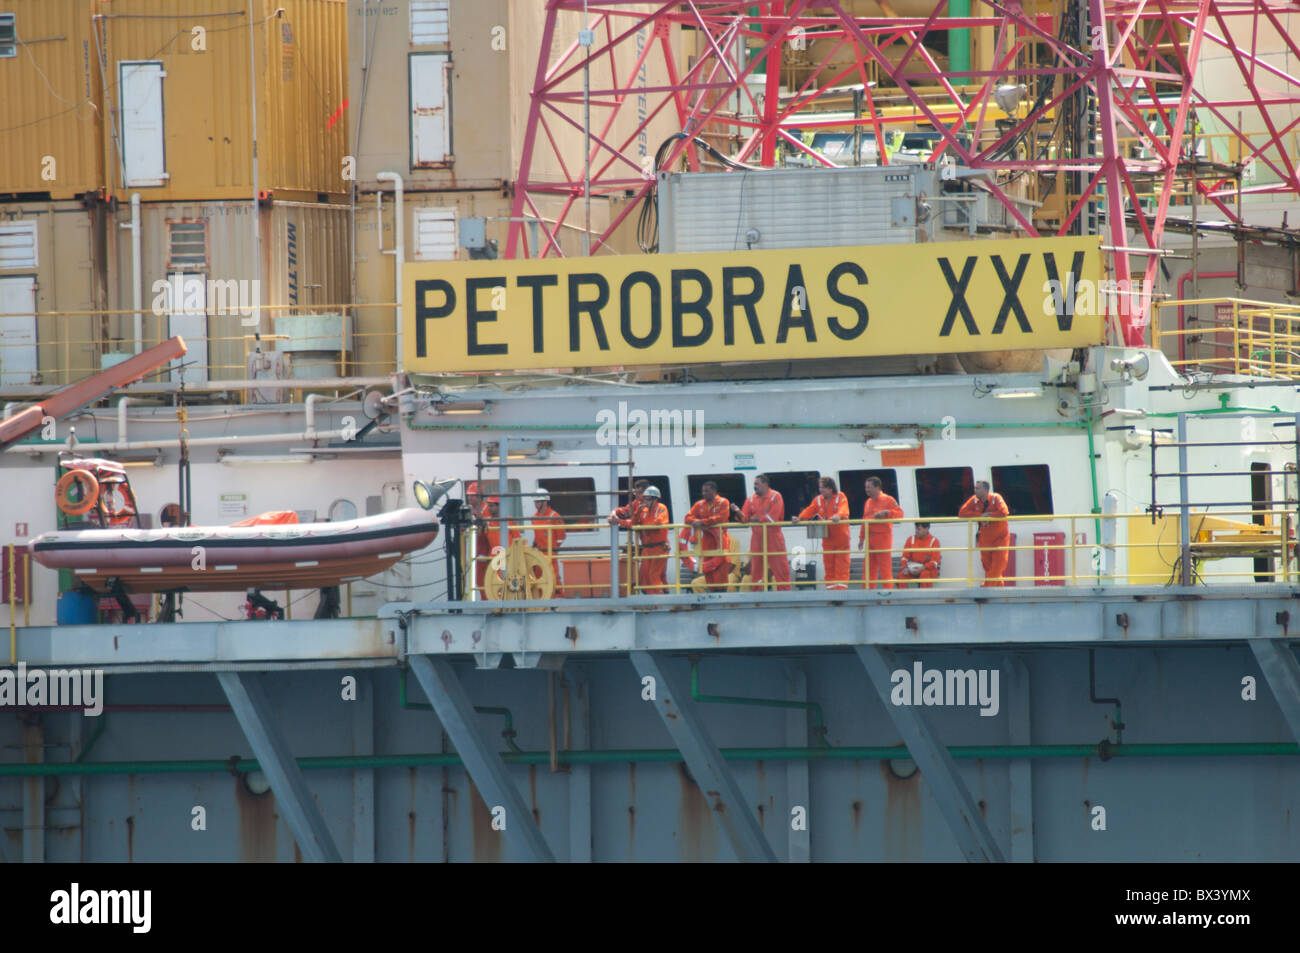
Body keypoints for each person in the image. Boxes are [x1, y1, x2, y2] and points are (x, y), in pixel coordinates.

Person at [792, 476, 851, 590]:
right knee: (829, 565)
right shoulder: (818, 500)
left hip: (841, 538)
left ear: (830, 488)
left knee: (841, 565)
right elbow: (810, 510)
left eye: (823, 488)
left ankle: (840, 591)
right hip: (827, 538)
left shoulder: (840, 497)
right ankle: (830, 590)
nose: (821, 490)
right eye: (820, 487)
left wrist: (838, 516)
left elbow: (843, 509)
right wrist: (799, 518)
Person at [738, 474, 791, 591]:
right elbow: (744, 518)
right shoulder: (751, 499)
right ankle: (757, 595)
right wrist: (737, 512)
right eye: (754, 484)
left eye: (757, 484)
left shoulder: (776, 496)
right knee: (756, 569)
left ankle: (785, 594)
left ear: (765, 484)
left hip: (773, 538)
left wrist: (755, 518)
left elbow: (772, 517)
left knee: (780, 568)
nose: (754, 486)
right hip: (757, 538)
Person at [958, 480, 1011, 587]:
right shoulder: (974, 500)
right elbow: (962, 513)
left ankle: (986, 588)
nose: (975, 490)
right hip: (985, 539)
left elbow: (1004, 512)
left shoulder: (996, 498)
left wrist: (989, 516)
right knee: (988, 567)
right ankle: (999, 588)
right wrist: (980, 515)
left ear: (985, 490)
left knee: (998, 565)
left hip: (1000, 539)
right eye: (975, 488)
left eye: (978, 488)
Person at [685, 481, 734, 591]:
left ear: (714, 491)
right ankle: (712, 594)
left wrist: (702, 523)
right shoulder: (700, 504)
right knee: (708, 571)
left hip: (721, 541)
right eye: (702, 491)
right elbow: (687, 518)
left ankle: (722, 595)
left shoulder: (723, 502)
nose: (703, 493)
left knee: (721, 571)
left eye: (706, 491)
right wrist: (697, 522)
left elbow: (721, 518)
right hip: (706, 542)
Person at [860, 476, 903, 589]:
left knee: (885, 568)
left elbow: (900, 513)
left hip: (883, 538)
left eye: (869, 487)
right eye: (866, 487)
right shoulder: (868, 502)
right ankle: (867, 592)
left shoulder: (888, 500)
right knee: (868, 569)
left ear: (877, 487)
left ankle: (888, 594)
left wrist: (886, 512)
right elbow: (864, 521)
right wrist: (861, 539)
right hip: (870, 539)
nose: (867, 490)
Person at [477, 496, 521, 598]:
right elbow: (479, 536)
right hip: (495, 559)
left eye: (492, 506)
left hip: (509, 558)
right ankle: (498, 605)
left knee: (510, 584)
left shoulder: (509, 520)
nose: (489, 508)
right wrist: (479, 525)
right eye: (489, 506)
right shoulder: (487, 522)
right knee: (496, 585)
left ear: (499, 506)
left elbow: (517, 540)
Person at [530, 489, 567, 596]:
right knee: (539, 578)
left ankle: (557, 600)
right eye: (535, 502)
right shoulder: (534, 517)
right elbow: (536, 535)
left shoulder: (554, 516)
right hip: (538, 554)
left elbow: (561, 537)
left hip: (550, 554)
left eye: (538, 502)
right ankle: (542, 602)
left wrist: (553, 549)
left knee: (553, 577)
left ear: (545, 502)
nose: (535, 504)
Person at [897, 522, 941, 588]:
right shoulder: (910, 539)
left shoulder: (934, 541)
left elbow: (934, 561)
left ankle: (925, 597)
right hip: (912, 569)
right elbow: (904, 557)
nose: (916, 531)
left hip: (928, 570)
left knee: (924, 575)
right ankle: (903, 597)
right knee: (901, 575)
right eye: (916, 529)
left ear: (926, 529)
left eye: (919, 529)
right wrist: (905, 568)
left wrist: (922, 568)